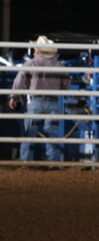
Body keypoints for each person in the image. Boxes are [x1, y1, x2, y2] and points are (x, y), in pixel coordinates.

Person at [8, 36, 70, 164]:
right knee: (52, 134)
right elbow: (66, 82)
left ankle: (26, 162)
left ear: (37, 50)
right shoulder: (58, 65)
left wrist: (13, 96)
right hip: (53, 101)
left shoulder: (31, 63)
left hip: (35, 101)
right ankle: (53, 162)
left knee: (29, 133)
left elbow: (19, 80)